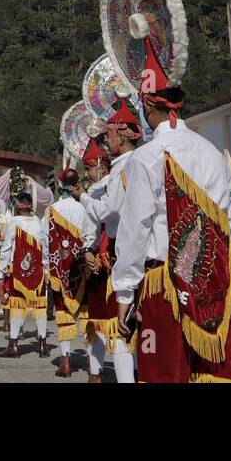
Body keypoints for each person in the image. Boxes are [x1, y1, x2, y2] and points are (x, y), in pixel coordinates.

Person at [113, 42, 231, 383]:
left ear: (146, 103)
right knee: (216, 374)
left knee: (163, 375)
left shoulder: (146, 158)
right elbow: (224, 221)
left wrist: (125, 293)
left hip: (164, 283)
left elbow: (134, 233)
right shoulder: (214, 153)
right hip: (215, 281)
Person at [74, 98, 143, 382]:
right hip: (147, 255)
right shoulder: (146, 161)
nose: (107, 140)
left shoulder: (120, 171)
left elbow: (104, 214)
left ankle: (102, 375)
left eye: (110, 134)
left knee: (121, 327)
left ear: (124, 134)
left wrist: (83, 197)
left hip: (119, 254)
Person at [46, 168, 96, 378]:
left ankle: (65, 364)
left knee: (64, 315)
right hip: (82, 270)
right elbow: (91, 236)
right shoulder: (84, 208)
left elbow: (45, 242)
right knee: (86, 315)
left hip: (60, 271)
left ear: (59, 187)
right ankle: (91, 364)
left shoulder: (51, 210)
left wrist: (49, 268)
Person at [0, 190, 49, 358]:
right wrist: (46, 270)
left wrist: (0, 274)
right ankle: (42, 345)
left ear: (18, 206)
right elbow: (46, 248)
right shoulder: (40, 223)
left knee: (17, 307)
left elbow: (6, 250)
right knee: (40, 309)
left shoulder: (13, 223)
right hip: (38, 272)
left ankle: (13, 345)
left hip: (18, 273)